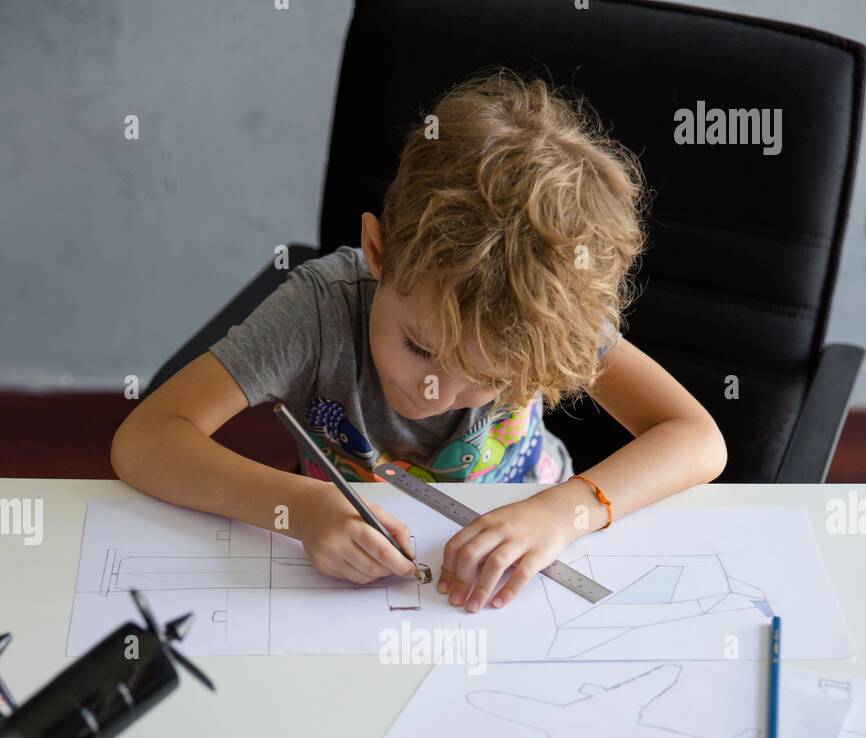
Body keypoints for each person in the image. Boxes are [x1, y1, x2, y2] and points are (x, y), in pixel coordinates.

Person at [112, 71, 725, 613]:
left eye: (489, 378)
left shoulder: (541, 311)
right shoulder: (319, 312)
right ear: (379, 252)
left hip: (536, 545)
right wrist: (298, 509)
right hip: (351, 553)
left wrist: (565, 512)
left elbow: (698, 439)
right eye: (420, 349)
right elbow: (146, 440)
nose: (439, 392)